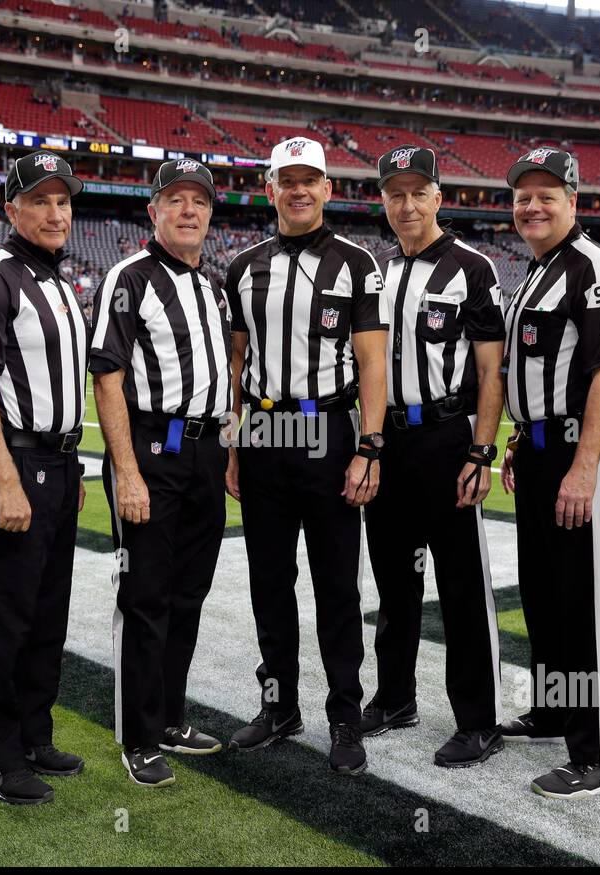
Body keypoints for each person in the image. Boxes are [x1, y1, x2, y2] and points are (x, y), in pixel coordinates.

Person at [224, 137, 390, 776]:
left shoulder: (356, 263)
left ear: (327, 189)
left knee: (336, 586)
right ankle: (279, 706)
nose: (298, 190)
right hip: (265, 431)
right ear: (270, 189)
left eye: (309, 180)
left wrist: (369, 449)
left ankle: (344, 716)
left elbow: (373, 361)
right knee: (269, 580)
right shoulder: (243, 266)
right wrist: (235, 446)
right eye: (285, 180)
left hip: (329, 433)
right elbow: (238, 363)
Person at [496, 147, 600, 800]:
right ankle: (557, 709)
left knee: (584, 598)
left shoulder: (595, 267)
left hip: (586, 446)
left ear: (573, 201)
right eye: (523, 195)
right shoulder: (537, 270)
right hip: (545, 445)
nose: (532, 206)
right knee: (545, 592)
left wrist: (585, 467)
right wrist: (523, 438)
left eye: (546, 195)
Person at [363, 145, 507, 768]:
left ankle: (478, 720)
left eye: (419, 192)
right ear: (384, 202)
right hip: (388, 440)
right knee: (394, 580)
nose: (407, 204)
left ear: (440, 197)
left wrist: (481, 448)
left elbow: (491, 370)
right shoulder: (377, 273)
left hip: (446, 435)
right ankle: (395, 698)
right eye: (396, 193)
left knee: (460, 585)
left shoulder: (472, 267)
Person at [0, 151, 89, 805]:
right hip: (18, 462)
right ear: (12, 210)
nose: (55, 212)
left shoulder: (60, 283)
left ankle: (34, 734)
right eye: (40, 200)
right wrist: (4, 478)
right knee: (3, 616)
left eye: (63, 201)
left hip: (60, 463)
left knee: (46, 613)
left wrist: (75, 463)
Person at [90, 160, 230, 788]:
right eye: (175, 199)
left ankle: (170, 715)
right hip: (152, 448)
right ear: (154, 211)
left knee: (189, 594)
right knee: (144, 597)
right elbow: (108, 377)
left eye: (198, 201)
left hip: (205, 452)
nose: (189, 211)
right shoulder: (130, 278)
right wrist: (126, 471)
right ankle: (138, 734)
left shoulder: (216, 287)